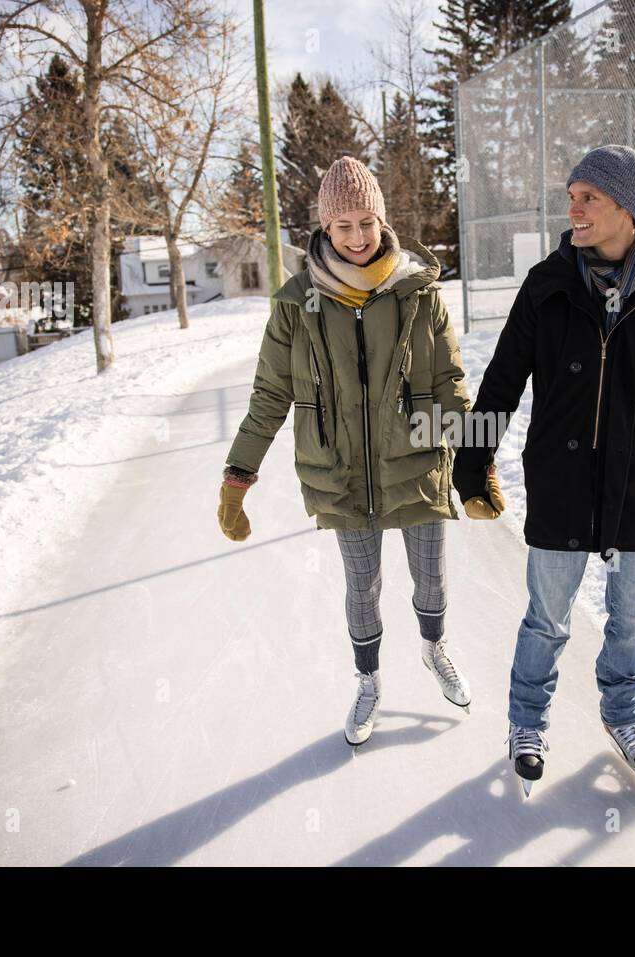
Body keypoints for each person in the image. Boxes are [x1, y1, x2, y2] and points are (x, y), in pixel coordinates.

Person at [453, 144, 635, 793]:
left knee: (633, 620)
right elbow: (502, 380)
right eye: (571, 196)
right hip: (562, 486)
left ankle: (622, 713)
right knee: (547, 618)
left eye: (587, 197)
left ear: (626, 206)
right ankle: (527, 720)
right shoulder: (548, 284)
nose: (573, 209)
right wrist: (472, 462)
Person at [217, 155, 474, 750]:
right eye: (343, 226)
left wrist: (475, 463)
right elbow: (270, 395)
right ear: (324, 230)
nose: (357, 238)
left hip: (415, 459)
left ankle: (435, 650)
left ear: (382, 221)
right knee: (362, 587)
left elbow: (448, 385)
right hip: (338, 472)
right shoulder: (295, 304)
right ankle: (368, 681)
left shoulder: (419, 293)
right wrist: (238, 475)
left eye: (366, 222)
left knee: (430, 581)